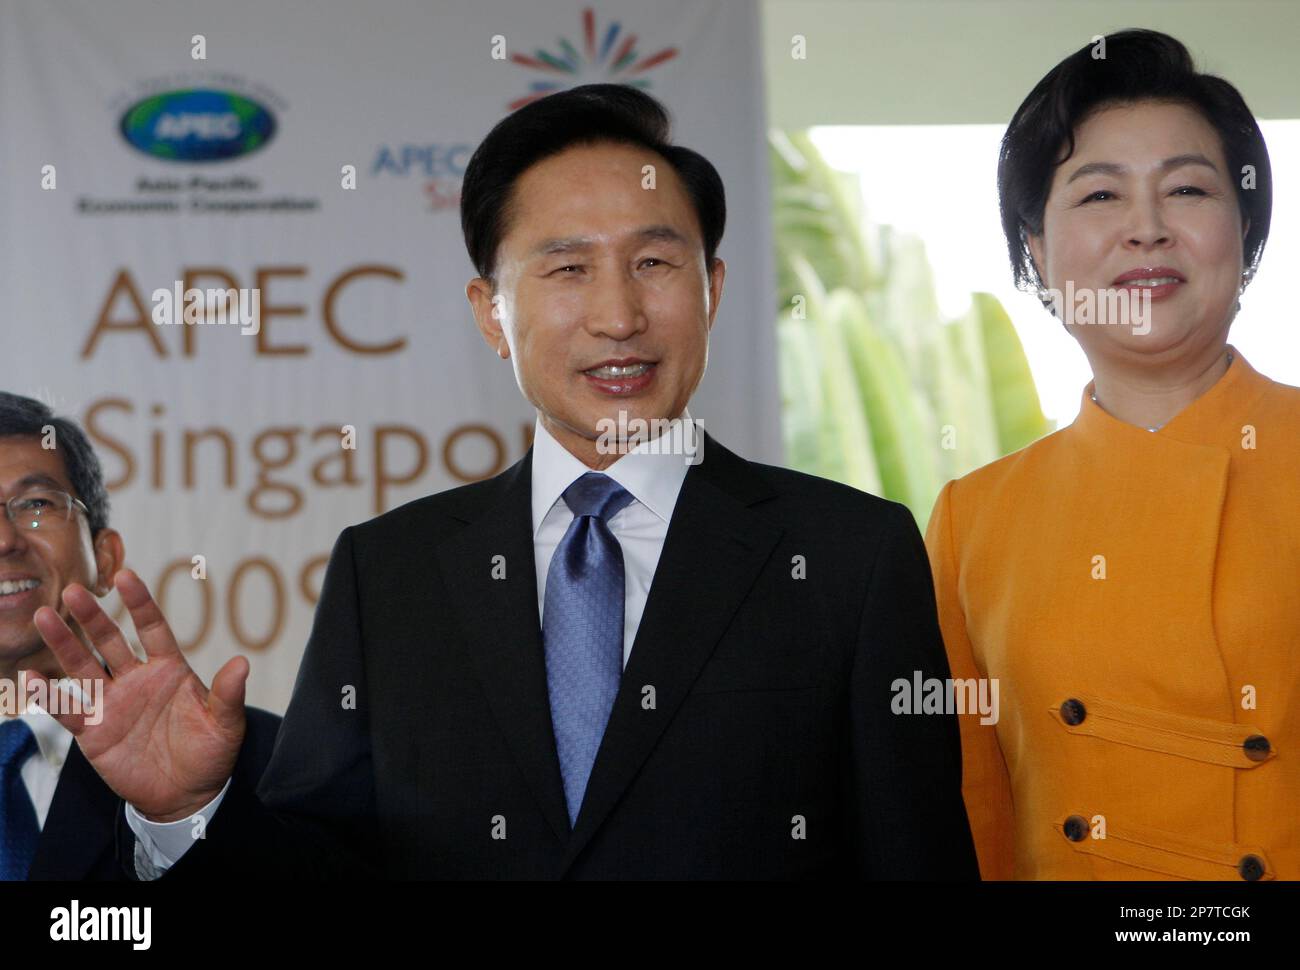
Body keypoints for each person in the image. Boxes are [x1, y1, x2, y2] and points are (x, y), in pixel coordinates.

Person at [36, 84, 977, 879]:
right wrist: (191, 810)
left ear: (714, 291)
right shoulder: (390, 573)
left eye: (655, 263)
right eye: (568, 268)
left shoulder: (849, 555)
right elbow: (319, 870)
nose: (619, 315)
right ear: (492, 312)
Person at [925, 29, 1297, 880]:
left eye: (1188, 189)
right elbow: (974, 817)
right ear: (1039, 253)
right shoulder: (972, 520)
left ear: (1244, 236)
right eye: (1099, 197)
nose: (1147, 230)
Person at [0, 392, 281, 880]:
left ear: (105, 560)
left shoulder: (253, 758)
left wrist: (182, 817)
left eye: (36, 504)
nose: (4, 539)